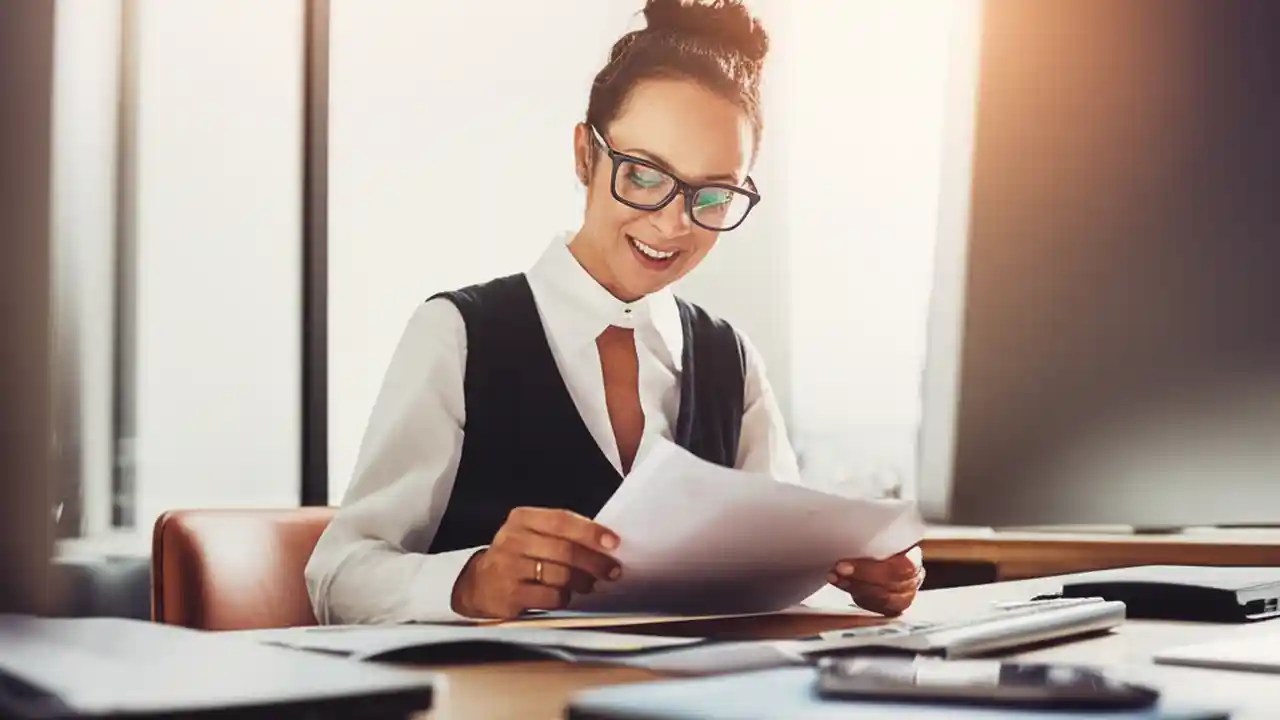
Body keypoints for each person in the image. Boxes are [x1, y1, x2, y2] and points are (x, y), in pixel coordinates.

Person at [305, 0, 923, 623]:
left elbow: (775, 570)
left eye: (713, 193)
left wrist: (855, 572)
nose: (673, 221)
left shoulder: (730, 362)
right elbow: (337, 576)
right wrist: (468, 582)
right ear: (585, 156)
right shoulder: (459, 336)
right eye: (646, 175)